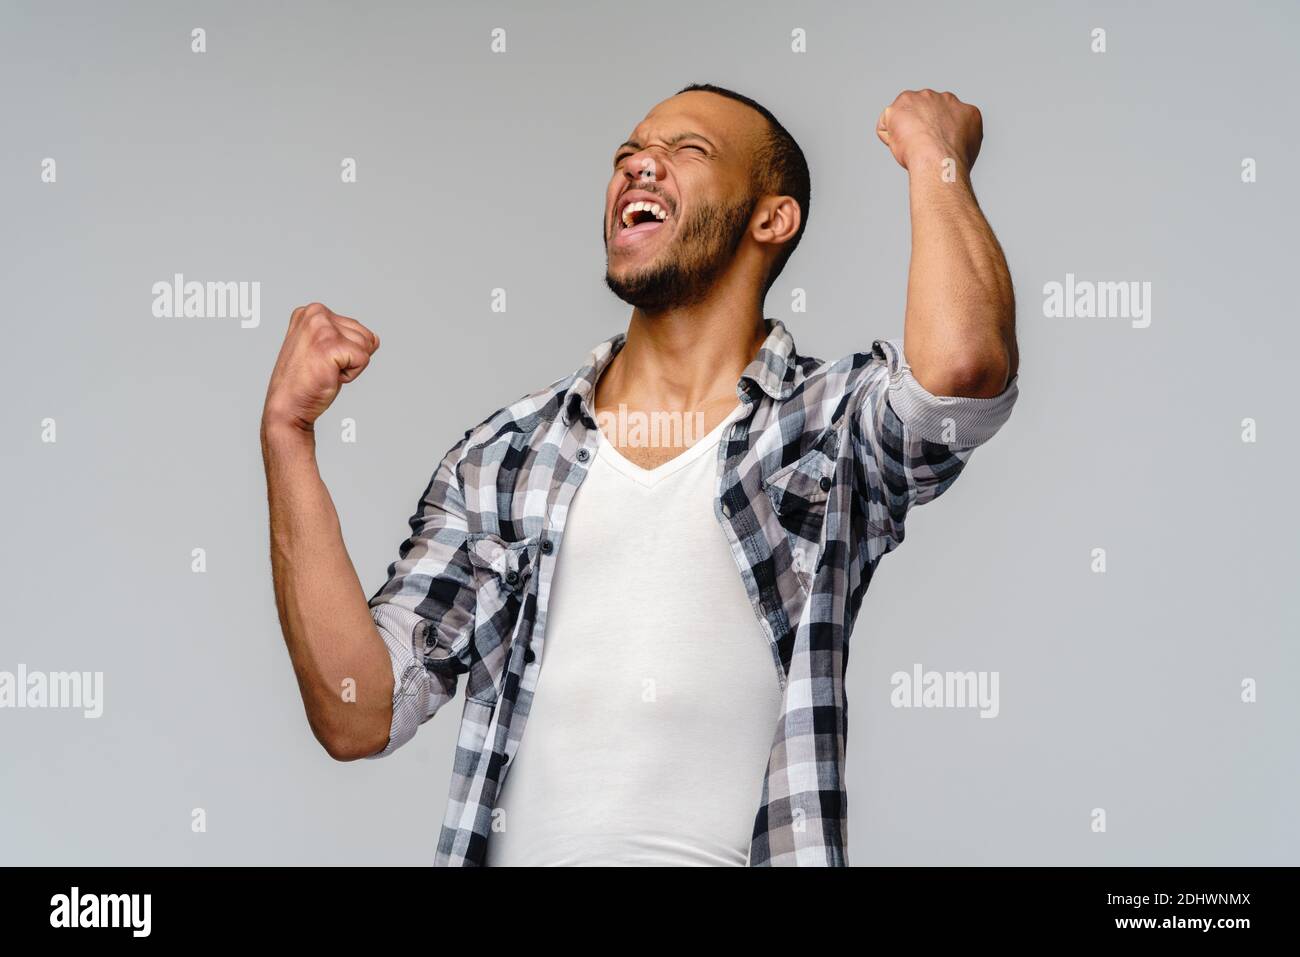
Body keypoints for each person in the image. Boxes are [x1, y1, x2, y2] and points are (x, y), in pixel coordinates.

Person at [259, 83, 1020, 866]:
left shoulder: (825, 427)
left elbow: (960, 373)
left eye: (688, 151)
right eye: (629, 153)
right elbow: (356, 711)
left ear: (771, 217)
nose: (640, 165)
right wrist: (289, 437)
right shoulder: (506, 458)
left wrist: (936, 155)